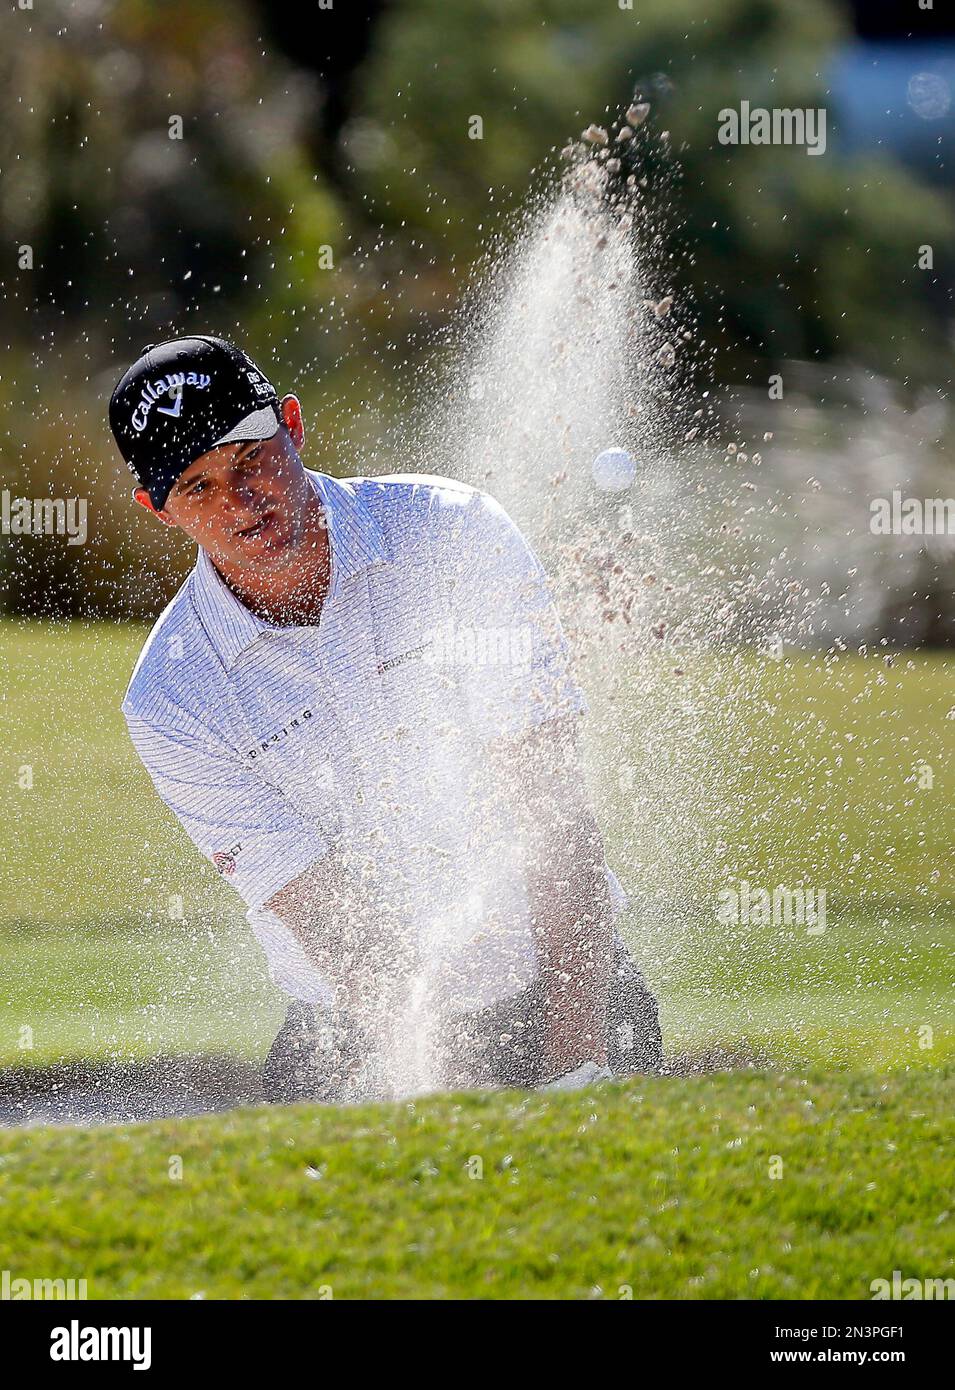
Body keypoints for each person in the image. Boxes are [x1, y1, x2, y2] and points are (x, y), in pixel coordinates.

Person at [109, 334, 663, 1101]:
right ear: (156, 509)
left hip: (565, 984)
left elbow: (550, 808)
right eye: (197, 487)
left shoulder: (451, 530)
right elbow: (336, 927)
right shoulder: (174, 700)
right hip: (349, 1027)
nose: (240, 502)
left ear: (292, 426)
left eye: (250, 460)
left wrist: (576, 1066)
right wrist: (446, 1089)